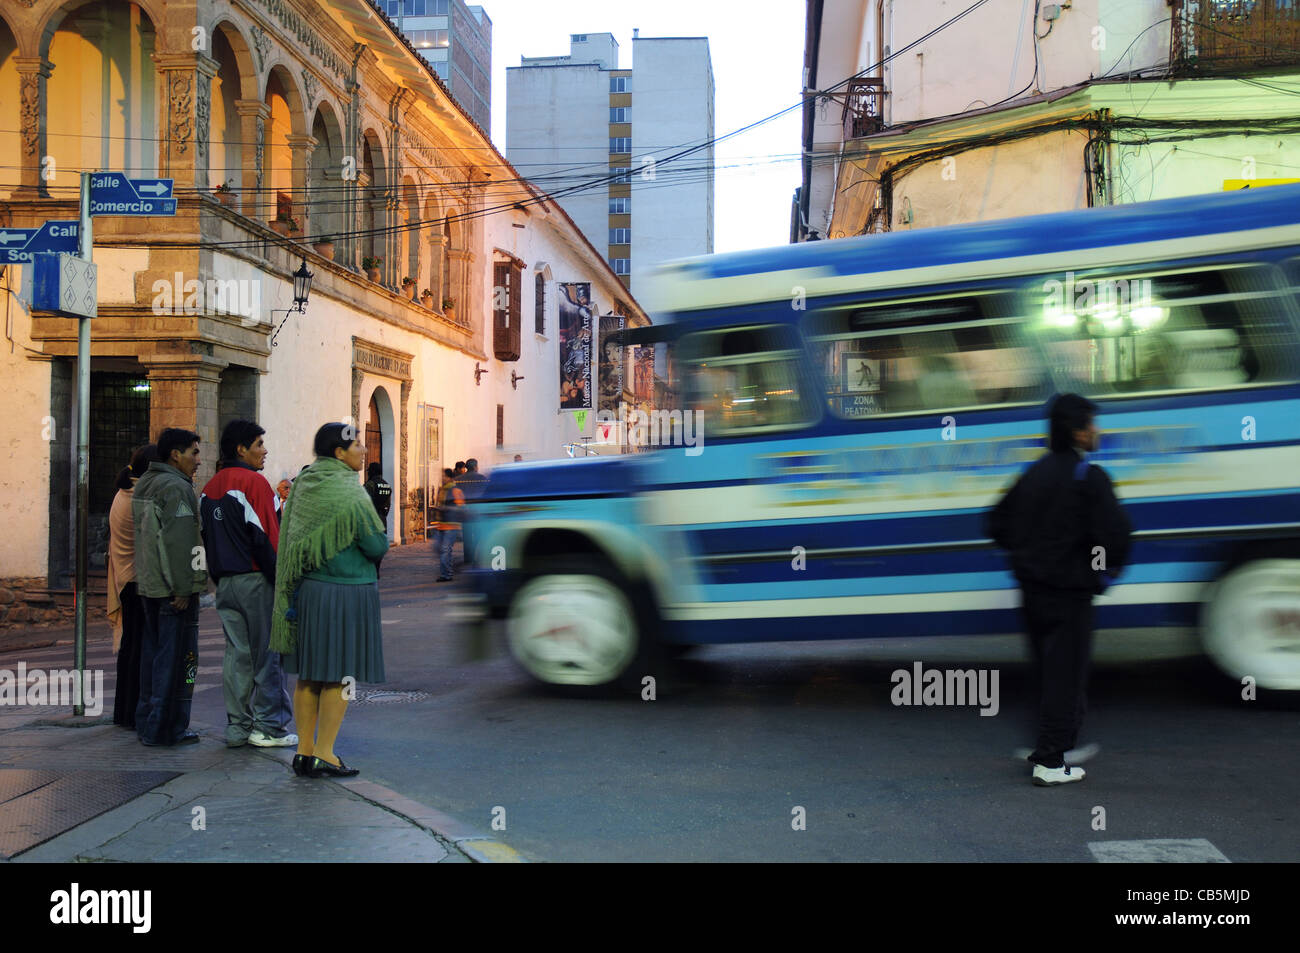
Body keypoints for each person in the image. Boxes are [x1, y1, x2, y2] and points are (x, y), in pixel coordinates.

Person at [986, 394, 1132, 786]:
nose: (1096, 432)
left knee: (1047, 672)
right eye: (1091, 425)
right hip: (1071, 594)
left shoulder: (1033, 474)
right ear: (1076, 431)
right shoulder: (1090, 477)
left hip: (1033, 592)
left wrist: (1026, 558)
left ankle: (1050, 745)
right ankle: (1050, 763)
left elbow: (996, 524)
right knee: (1066, 676)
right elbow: (1116, 537)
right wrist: (1100, 576)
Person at [271, 423, 388, 779]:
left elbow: (289, 536)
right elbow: (376, 545)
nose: (364, 452)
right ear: (339, 452)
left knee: (309, 675)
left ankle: (303, 753)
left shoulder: (303, 486)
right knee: (339, 676)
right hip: (347, 592)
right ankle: (325, 753)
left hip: (308, 592)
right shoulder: (350, 494)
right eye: (357, 447)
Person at [200, 420, 297, 749]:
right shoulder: (255, 484)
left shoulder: (209, 487)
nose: (264, 450)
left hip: (225, 584)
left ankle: (238, 727)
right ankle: (268, 727)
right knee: (268, 654)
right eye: (258, 444)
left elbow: (206, 540)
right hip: (257, 580)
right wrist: (282, 584)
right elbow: (268, 540)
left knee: (237, 656)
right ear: (241, 449)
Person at [133, 428, 207, 747]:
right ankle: (167, 727)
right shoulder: (177, 488)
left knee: (153, 657)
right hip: (172, 590)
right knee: (177, 661)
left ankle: (149, 723)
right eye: (193, 452)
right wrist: (185, 587)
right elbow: (181, 542)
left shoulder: (147, 482)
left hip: (149, 584)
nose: (198, 460)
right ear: (175, 455)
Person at [107, 444, 158, 728]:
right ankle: (132, 713)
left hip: (126, 579)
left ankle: (124, 713)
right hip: (136, 580)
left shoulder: (123, 492)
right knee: (138, 650)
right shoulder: (138, 497)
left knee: (131, 648)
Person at [431, 468, 465, 582]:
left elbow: (461, 507)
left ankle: (446, 575)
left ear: (449, 478)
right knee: (438, 548)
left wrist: (445, 508)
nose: (442, 478)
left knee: (445, 549)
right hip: (442, 524)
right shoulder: (442, 490)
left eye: (444, 476)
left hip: (452, 525)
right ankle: (451, 566)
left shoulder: (455, 490)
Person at [455, 458, 488, 568]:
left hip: (465, 512)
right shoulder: (483, 478)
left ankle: (468, 559)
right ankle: (477, 557)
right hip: (478, 512)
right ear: (475, 467)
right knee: (479, 535)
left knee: (467, 537)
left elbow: (457, 496)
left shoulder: (458, 479)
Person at [363, 463, 392, 530]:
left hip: (371, 521)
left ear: (372, 472)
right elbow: (388, 505)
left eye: (369, 471)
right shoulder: (387, 485)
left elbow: (364, 503)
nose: (368, 473)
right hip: (382, 521)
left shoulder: (370, 484)